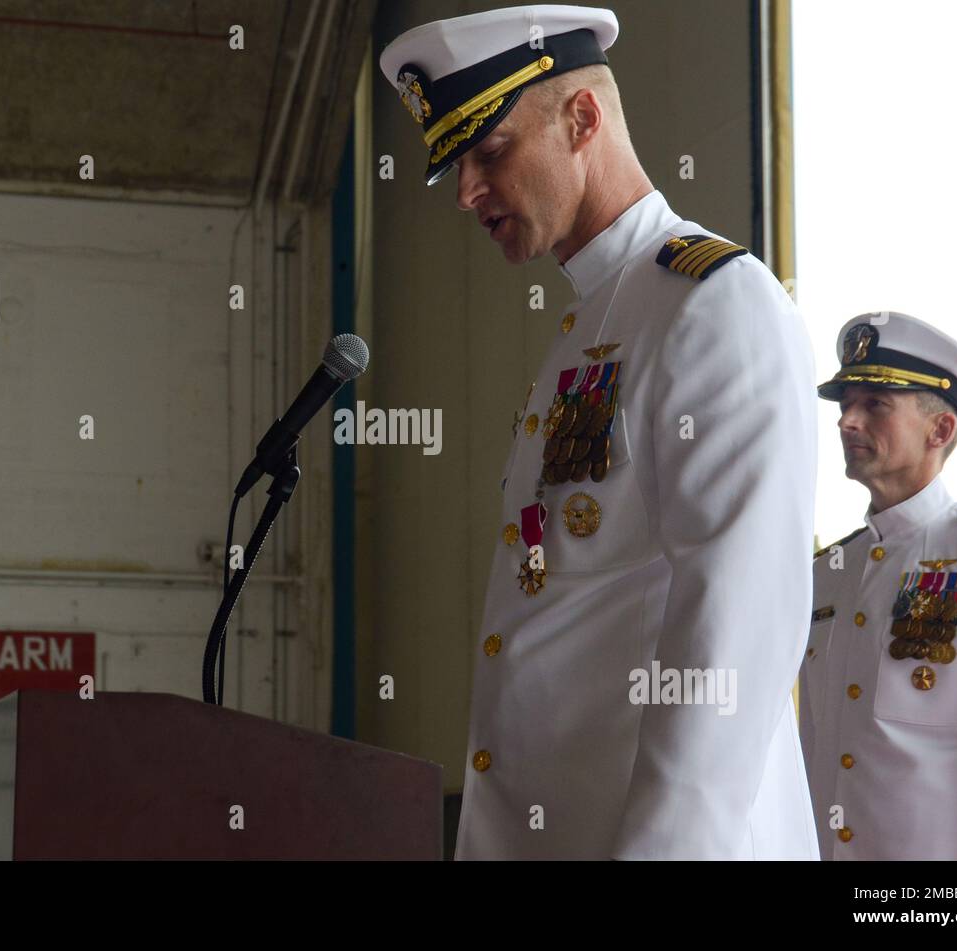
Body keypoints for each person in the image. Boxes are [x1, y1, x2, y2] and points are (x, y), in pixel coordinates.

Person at [380, 5, 818, 859]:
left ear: (582, 120)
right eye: (458, 164)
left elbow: (734, 625)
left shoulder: (713, 302)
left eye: (489, 151)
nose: (468, 191)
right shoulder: (591, 325)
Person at [802, 312, 957, 859]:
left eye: (874, 404)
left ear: (940, 430)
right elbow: (814, 745)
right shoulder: (829, 571)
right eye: (844, 405)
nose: (846, 422)